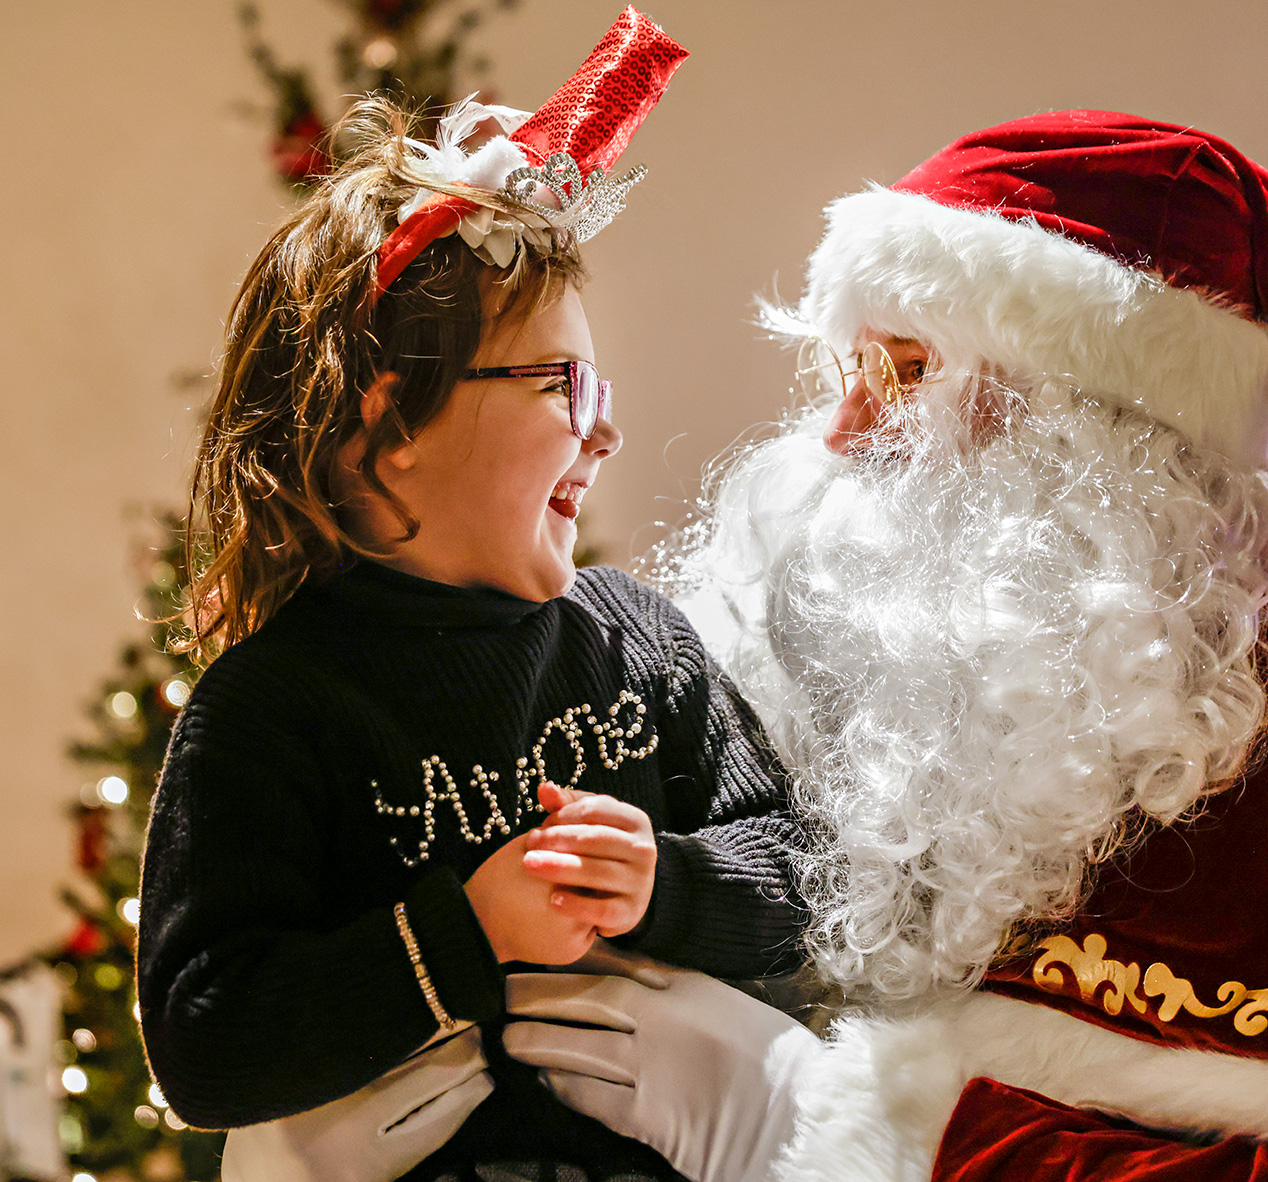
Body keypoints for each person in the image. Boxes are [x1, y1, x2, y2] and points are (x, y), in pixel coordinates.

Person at [494, 112, 1268, 1181]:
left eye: (909, 375)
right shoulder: (814, 680)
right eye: (848, 373)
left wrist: (837, 1129)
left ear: (1103, 436)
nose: (839, 437)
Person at [135, 11, 804, 1182]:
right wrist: (461, 936)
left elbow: (801, 877)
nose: (608, 427)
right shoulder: (271, 709)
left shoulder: (637, 640)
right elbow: (204, 1040)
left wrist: (666, 881)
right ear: (390, 426)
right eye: (564, 381)